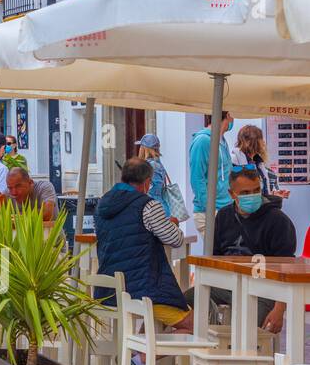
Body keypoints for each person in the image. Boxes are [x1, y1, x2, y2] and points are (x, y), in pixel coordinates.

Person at [185, 166, 298, 334]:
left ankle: (225, 353)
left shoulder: (279, 221)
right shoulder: (223, 216)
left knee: (244, 333)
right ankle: (145, 355)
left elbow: (287, 269)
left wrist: (279, 309)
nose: (252, 196)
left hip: (263, 290)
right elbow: (215, 258)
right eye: (245, 193)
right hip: (225, 285)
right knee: (176, 304)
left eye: (256, 190)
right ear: (232, 194)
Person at [95, 158, 191, 330]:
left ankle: (137, 351)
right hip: (141, 290)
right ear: (147, 182)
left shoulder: (102, 203)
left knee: (158, 317)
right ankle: (140, 358)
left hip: (108, 291)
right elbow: (176, 240)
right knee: (192, 325)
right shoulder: (147, 206)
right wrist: (172, 223)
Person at [189, 111, 233, 223]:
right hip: (211, 212)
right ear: (228, 115)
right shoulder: (202, 141)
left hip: (226, 208)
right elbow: (197, 179)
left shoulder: (222, 140)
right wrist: (210, 209)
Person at [231, 124, 290, 199]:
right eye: (261, 139)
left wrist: (274, 194)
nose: (264, 143)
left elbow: (260, 191)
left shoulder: (258, 162)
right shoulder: (234, 161)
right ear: (251, 141)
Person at [136, 133, 169, 206]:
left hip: (153, 208)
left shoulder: (150, 165)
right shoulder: (158, 163)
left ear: (144, 148)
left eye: (141, 146)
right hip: (161, 205)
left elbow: (152, 190)